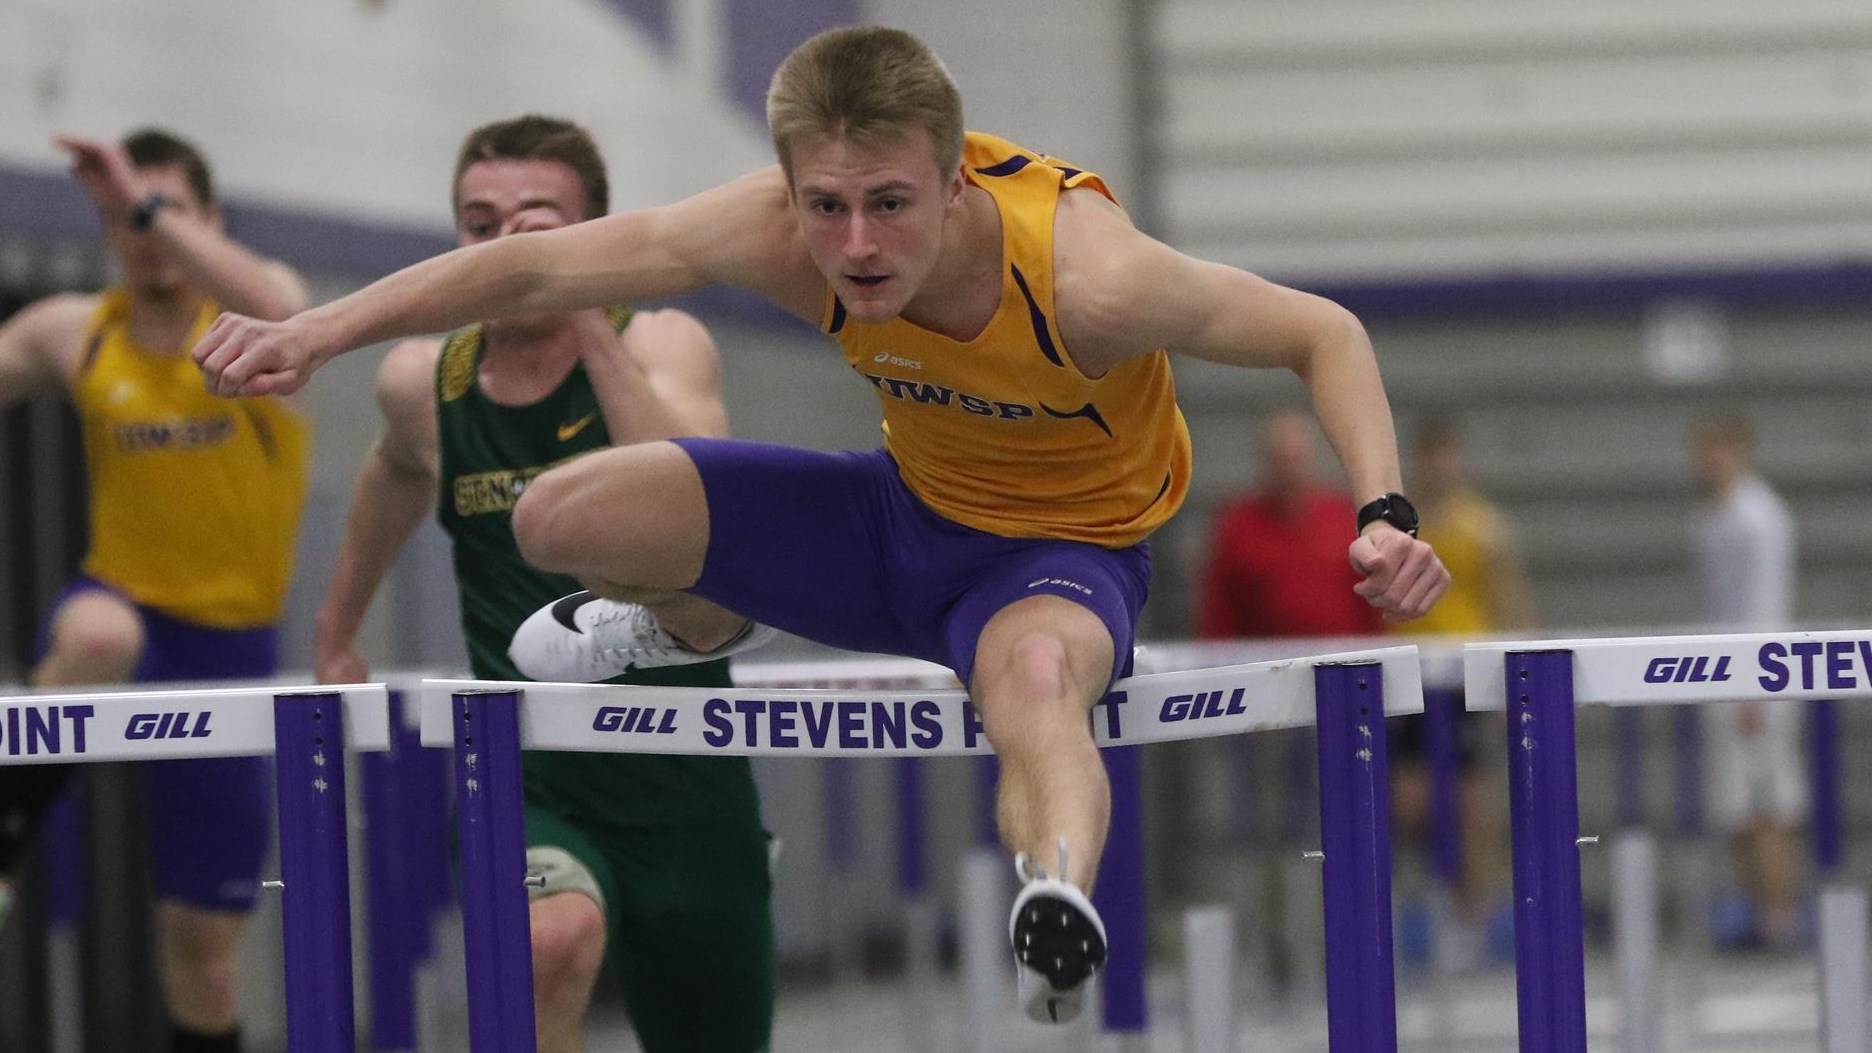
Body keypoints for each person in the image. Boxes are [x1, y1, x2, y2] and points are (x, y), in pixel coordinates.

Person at [192, 26, 1449, 1022]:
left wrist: (1383, 511)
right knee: (555, 514)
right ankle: (691, 622)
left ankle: (1054, 900)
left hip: (1056, 557)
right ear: (789, 186)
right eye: (827, 206)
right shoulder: (777, 227)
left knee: (1035, 686)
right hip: (893, 516)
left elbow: (1320, 332)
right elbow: (532, 270)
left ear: (957, 185)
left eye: (891, 206)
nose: (854, 246)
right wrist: (316, 330)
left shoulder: (1088, 273)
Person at [312, 116, 773, 1053]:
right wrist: (337, 629)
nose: (504, 249)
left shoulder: (667, 343)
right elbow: (394, 473)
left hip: (689, 784)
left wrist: (586, 315)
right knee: (546, 943)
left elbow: (703, 504)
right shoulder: (423, 383)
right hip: (527, 775)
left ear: (596, 237)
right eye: (480, 227)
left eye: (537, 226)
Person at [0, 129, 310, 1053]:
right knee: (97, 637)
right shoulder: (78, 330)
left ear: (210, 222)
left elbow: (280, 299)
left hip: (231, 656)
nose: (142, 233)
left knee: (203, 959)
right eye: (122, 218)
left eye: (165, 212)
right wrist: (142, 208)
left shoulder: (261, 326)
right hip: (124, 611)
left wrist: (154, 208)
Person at [1390, 416, 1532, 966]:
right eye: (1431, 456)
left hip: (1466, 677)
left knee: (1471, 803)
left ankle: (1475, 916)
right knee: (1409, 802)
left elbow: (1510, 598)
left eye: (1448, 455)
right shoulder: (1401, 526)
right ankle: (1433, 903)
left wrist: (1509, 684)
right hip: (1411, 676)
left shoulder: (1484, 526)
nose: (1440, 466)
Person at [1691, 409, 1804, 950]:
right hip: (1725, 673)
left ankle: (1780, 915)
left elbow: (1765, 603)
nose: (1710, 460)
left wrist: (1758, 681)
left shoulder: (1761, 517)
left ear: (1742, 451)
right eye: (1704, 449)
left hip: (1759, 674)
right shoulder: (1713, 518)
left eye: (1721, 449)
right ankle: (1759, 912)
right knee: (1737, 805)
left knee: (1767, 802)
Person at [1195, 407, 1385, 641]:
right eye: (1281, 460)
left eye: (1296, 459)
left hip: (1344, 662)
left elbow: (1372, 600)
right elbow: (1220, 610)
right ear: (1265, 461)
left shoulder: (1345, 519)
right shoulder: (1237, 527)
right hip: (1265, 664)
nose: (1290, 471)